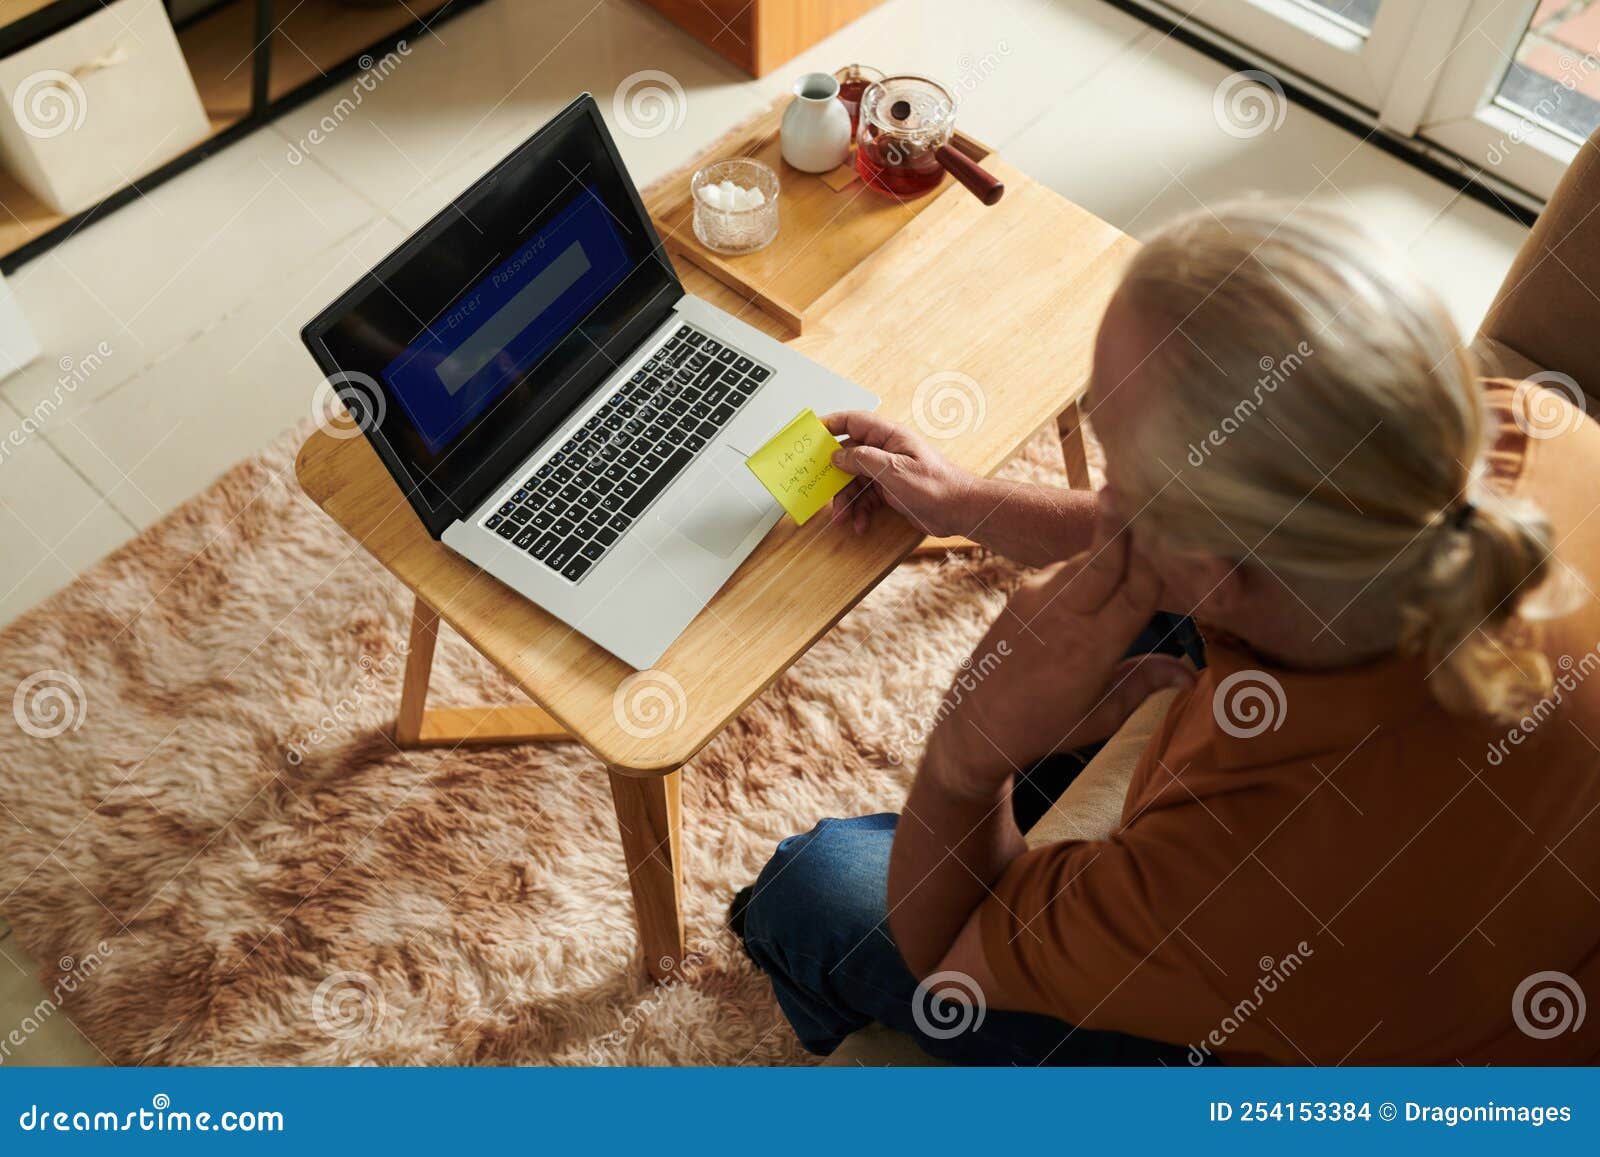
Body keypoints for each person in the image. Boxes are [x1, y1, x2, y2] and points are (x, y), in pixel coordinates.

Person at [730, 201, 1600, 1065]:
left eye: (1115, 464)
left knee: (812, 893)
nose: (1104, 496)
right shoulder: (1531, 429)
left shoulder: (1240, 871)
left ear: (1207, 564)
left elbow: (946, 954)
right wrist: (964, 503)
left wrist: (973, 743)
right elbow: (1235, 527)